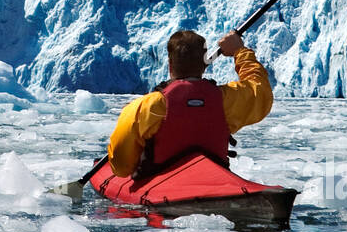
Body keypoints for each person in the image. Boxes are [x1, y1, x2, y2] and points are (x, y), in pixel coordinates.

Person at [107, 28, 273, 177]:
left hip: (160, 184)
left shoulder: (147, 107)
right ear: (204, 65)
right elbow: (260, 89)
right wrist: (240, 51)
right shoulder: (225, 100)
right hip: (212, 180)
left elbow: (121, 167)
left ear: (170, 65)